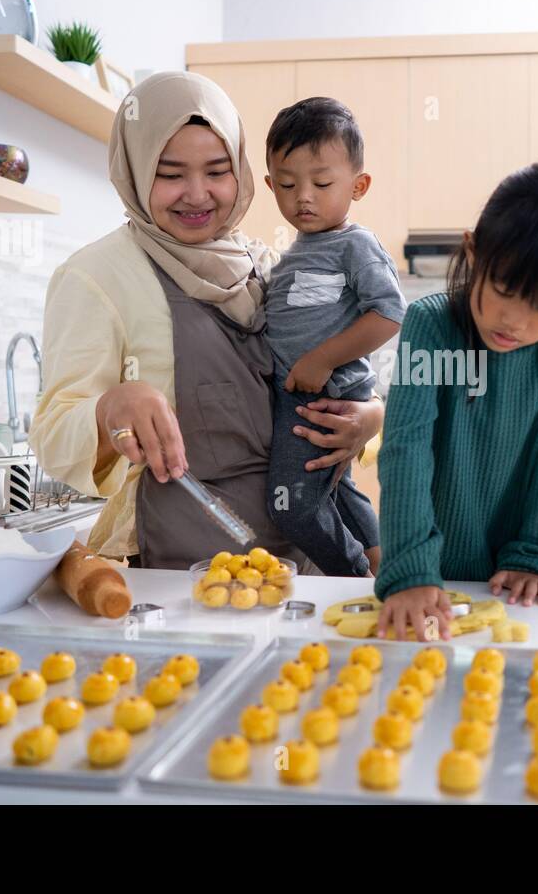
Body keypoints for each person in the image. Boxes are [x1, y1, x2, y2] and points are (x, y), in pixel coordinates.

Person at [29, 72, 383, 570]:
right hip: (186, 577)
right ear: (133, 170)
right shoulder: (97, 276)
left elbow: (347, 369)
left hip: (305, 568)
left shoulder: (268, 265)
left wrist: (371, 419)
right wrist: (112, 407)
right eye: (170, 174)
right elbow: (51, 435)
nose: (197, 194)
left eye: (217, 171)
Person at [374, 162, 538, 641]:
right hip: (437, 580)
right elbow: (406, 452)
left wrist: (537, 557)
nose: (517, 323)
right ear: (474, 251)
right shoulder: (432, 326)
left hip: (536, 578)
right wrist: (410, 570)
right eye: (505, 291)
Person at [261, 97, 406, 576]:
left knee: (293, 508)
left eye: (322, 183)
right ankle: (382, 567)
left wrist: (322, 360)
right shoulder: (297, 252)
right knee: (338, 490)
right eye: (286, 184)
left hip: (323, 395)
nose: (303, 196)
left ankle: (352, 577)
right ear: (269, 185)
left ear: (358, 186)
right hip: (304, 392)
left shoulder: (355, 244)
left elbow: (389, 313)